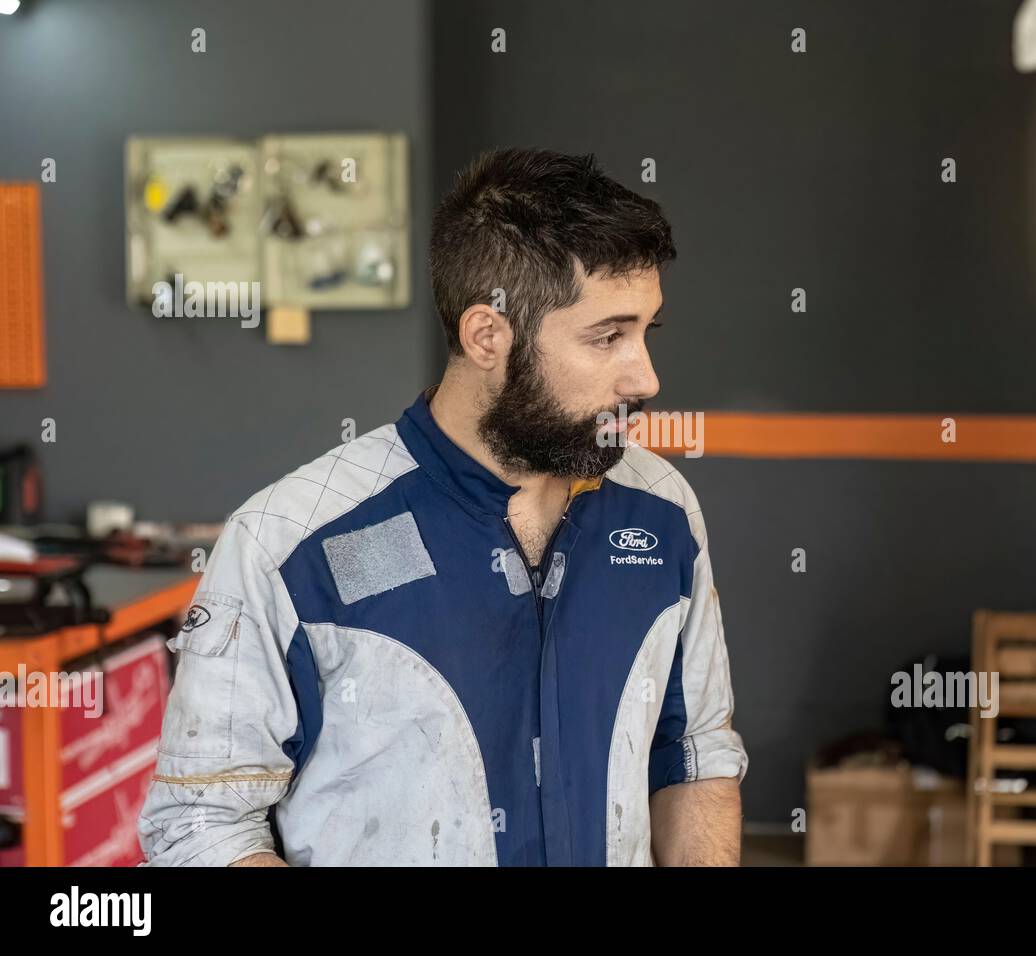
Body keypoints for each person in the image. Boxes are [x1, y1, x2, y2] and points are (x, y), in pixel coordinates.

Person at [138, 146, 747, 866]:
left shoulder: (662, 510)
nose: (644, 374)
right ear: (487, 335)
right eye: (607, 336)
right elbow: (200, 824)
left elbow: (695, 751)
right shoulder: (290, 541)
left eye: (647, 331)